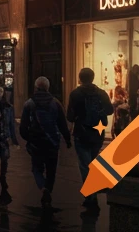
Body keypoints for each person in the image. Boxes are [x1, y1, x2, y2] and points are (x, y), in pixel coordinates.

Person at [19, 76, 72, 208]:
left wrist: (28, 138)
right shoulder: (56, 103)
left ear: (36, 87)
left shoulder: (29, 103)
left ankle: (43, 188)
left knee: (37, 168)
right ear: (48, 88)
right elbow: (62, 124)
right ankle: (48, 189)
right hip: (52, 141)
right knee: (51, 169)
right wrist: (67, 139)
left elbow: (23, 127)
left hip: (36, 142)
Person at [67, 67, 112, 215]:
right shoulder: (101, 93)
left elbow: (70, 117)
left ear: (80, 78)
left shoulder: (75, 94)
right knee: (93, 161)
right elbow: (110, 110)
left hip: (82, 132)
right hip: (97, 133)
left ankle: (90, 195)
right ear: (92, 78)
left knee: (84, 165)